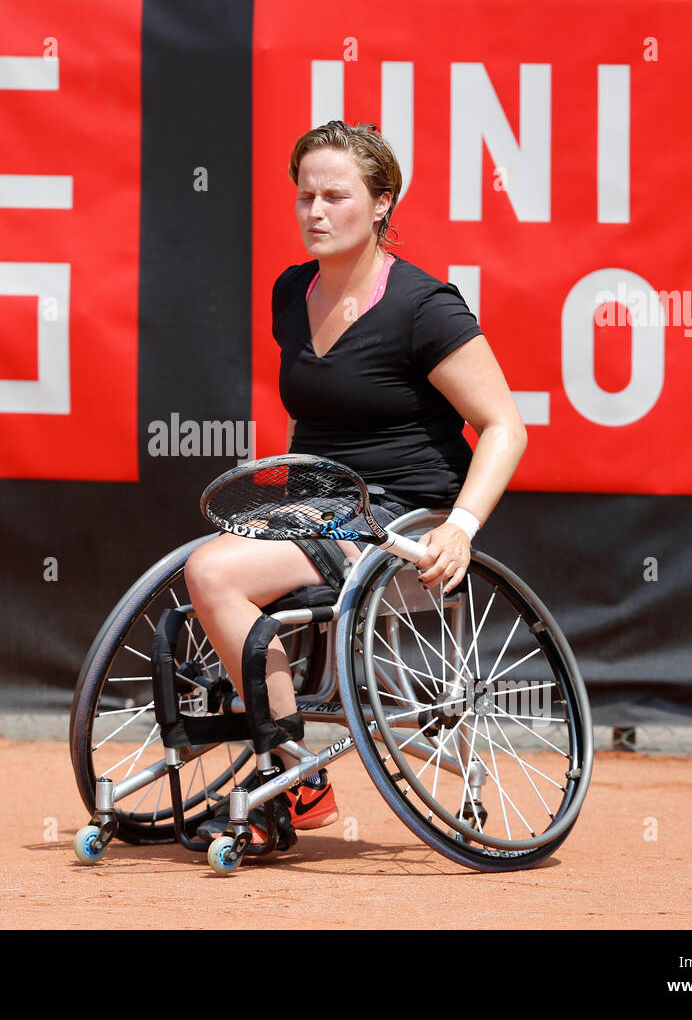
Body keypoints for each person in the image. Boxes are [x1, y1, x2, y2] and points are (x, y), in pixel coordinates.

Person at [185, 120, 527, 847]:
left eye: (335, 195)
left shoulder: (424, 309)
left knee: (211, 572)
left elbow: (504, 425)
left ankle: (298, 781)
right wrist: (287, 507)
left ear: (381, 203)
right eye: (304, 195)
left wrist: (459, 527)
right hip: (321, 509)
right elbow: (314, 418)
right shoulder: (291, 292)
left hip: (398, 516)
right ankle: (286, 762)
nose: (314, 211)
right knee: (206, 580)